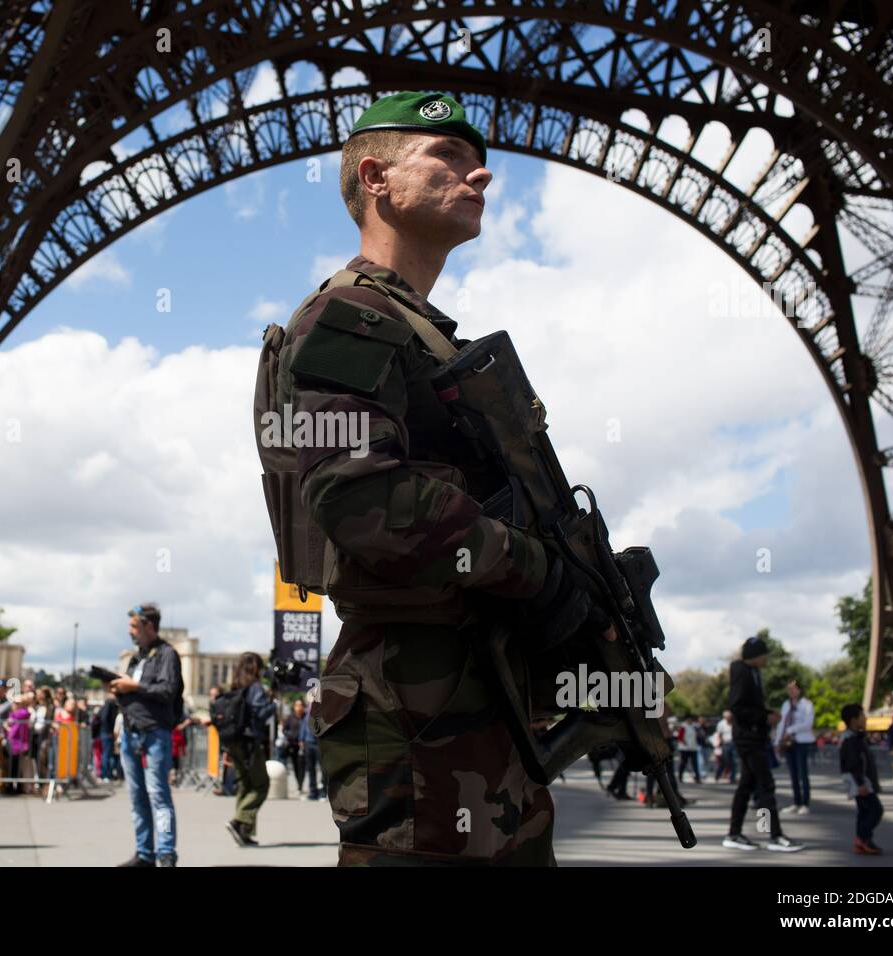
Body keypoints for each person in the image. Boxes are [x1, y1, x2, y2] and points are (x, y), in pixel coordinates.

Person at [260, 90, 623, 867]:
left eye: (477, 159)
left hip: (468, 693)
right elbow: (362, 498)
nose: (481, 174)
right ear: (376, 178)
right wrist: (540, 571)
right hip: (414, 706)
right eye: (448, 157)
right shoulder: (347, 317)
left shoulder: (414, 328)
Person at [110, 602, 183, 867]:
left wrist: (134, 685)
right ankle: (144, 853)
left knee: (158, 795)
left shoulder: (167, 654)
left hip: (154, 733)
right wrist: (120, 688)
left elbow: (167, 691)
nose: (130, 631)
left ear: (149, 626)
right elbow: (133, 689)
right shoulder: (137, 657)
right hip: (131, 732)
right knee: (137, 796)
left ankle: (165, 853)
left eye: (134, 626)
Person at [722, 636, 804, 852]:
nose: (766, 658)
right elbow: (738, 706)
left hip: (752, 736)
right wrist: (764, 717)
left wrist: (765, 714)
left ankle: (735, 833)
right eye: (764, 654)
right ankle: (774, 835)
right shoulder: (742, 672)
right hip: (749, 736)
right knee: (765, 785)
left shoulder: (752, 672)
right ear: (756, 655)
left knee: (747, 786)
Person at [223, 652, 278, 847]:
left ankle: (244, 833)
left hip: (233, 741)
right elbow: (261, 712)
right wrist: (274, 704)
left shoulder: (236, 687)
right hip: (248, 742)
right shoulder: (254, 688)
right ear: (255, 668)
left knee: (245, 785)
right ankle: (239, 821)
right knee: (261, 785)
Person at [839, 703, 883, 855]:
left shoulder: (855, 737)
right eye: (862, 716)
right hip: (860, 782)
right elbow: (854, 764)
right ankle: (862, 838)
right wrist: (861, 783)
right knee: (876, 810)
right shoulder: (851, 740)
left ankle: (863, 842)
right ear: (853, 720)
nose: (865, 718)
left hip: (861, 781)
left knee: (864, 811)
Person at [775, 678, 815, 814]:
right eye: (789, 689)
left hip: (801, 741)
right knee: (793, 774)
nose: (791, 692)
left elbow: (807, 723)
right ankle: (796, 802)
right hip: (788, 743)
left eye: (793, 689)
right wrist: (777, 741)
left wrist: (791, 730)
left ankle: (805, 803)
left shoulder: (806, 704)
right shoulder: (786, 705)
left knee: (802, 772)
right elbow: (781, 724)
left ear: (799, 690)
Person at [282, 699, 307, 791]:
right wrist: (290, 735)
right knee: (296, 765)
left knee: (303, 766)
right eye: (297, 705)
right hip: (293, 745)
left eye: (300, 705)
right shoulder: (290, 717)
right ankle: (299, 783)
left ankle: (301, 783)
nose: (299, 707)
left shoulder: (306, 717)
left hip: (304, 745)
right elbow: (284, 730)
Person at [95, 693, 121, 781]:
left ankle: (108, 774)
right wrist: (109, 731)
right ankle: (105, 774)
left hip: (107, 732)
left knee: (109, 754)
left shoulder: (111, 703)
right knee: (106, 754)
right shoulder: (109, 703)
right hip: (107, 733)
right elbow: (104, 718)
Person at [676, 715, 701, 783]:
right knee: (683, 763)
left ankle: (697, 778)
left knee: (695, 764)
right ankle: (680, 777)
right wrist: (685, 743)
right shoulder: (683, 726)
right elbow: (680, 737)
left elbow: (697, 736)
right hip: (685, 748)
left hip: (693, 748)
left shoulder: (694, 726)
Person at [715, 709, 736, 783]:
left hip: (733, 744)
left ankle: (732, 778)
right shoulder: (721, 724)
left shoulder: (734, 723)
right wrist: (719, 743)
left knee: (734, 762)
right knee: (724, 761)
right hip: (725, 744)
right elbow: (719, 734)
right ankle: (717, 776)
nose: (728, 718)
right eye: (727, 716)